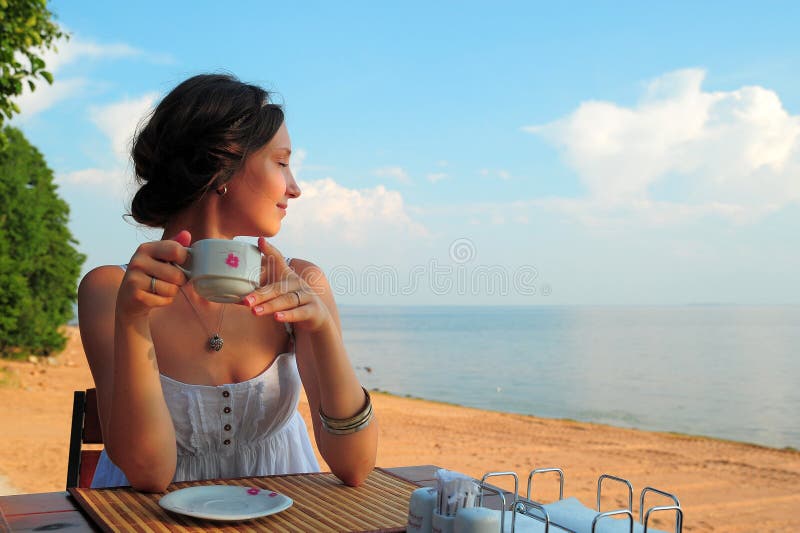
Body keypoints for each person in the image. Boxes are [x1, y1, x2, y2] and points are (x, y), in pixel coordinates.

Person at [77, 74, 378, 492]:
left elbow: (356, 466)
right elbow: (150, 474)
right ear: (224, 165)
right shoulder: (113, 292)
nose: (296, 188)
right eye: (282, 162)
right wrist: (132, 320)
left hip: (286, 515)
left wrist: (322, 328)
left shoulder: (296, 282)